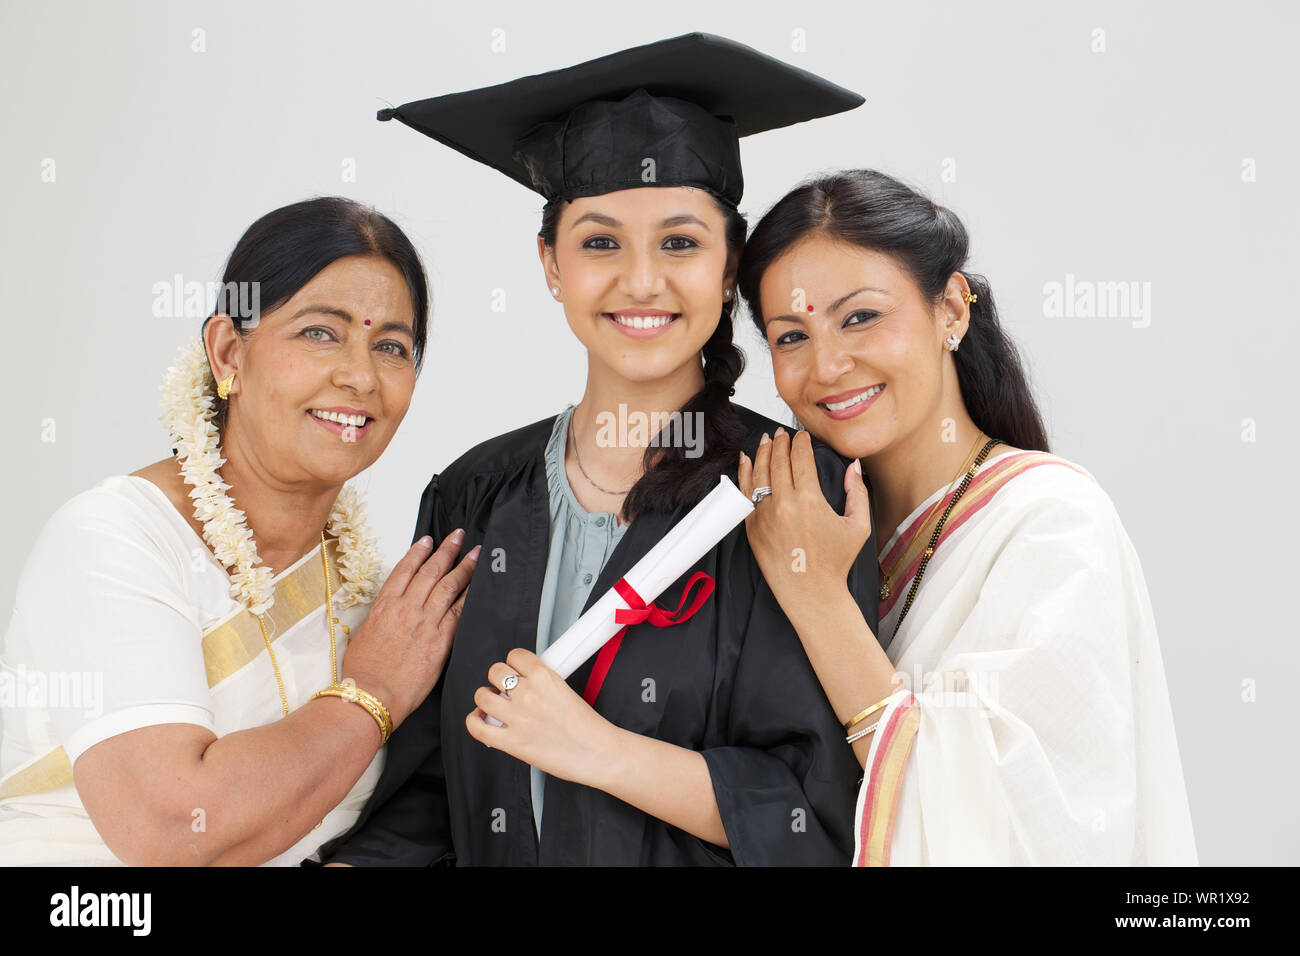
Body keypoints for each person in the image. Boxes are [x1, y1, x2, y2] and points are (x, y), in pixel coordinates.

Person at [321, 34, 875, 866]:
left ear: (730, 268)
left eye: (681, 243)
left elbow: (819, 817)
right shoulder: (474, 495)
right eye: (600, 242)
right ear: (550, 264)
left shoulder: (790, 493)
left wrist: (599, 753)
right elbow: (435, 792)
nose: (642, 282)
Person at [733, 169, 1198, 865]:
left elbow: (1025, 829)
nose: (827, 365)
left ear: (951, 308)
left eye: (860, 317)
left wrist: (820, 601)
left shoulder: (1052, 523)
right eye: (790, 337)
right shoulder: (802, 526)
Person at [0, 197, 478, 866]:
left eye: (391, 346)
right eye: (320, 332)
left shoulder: (383, 606)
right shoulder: (116, 539)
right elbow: (170, 829)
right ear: (228, 352)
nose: (360, 376)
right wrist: (373, 693)